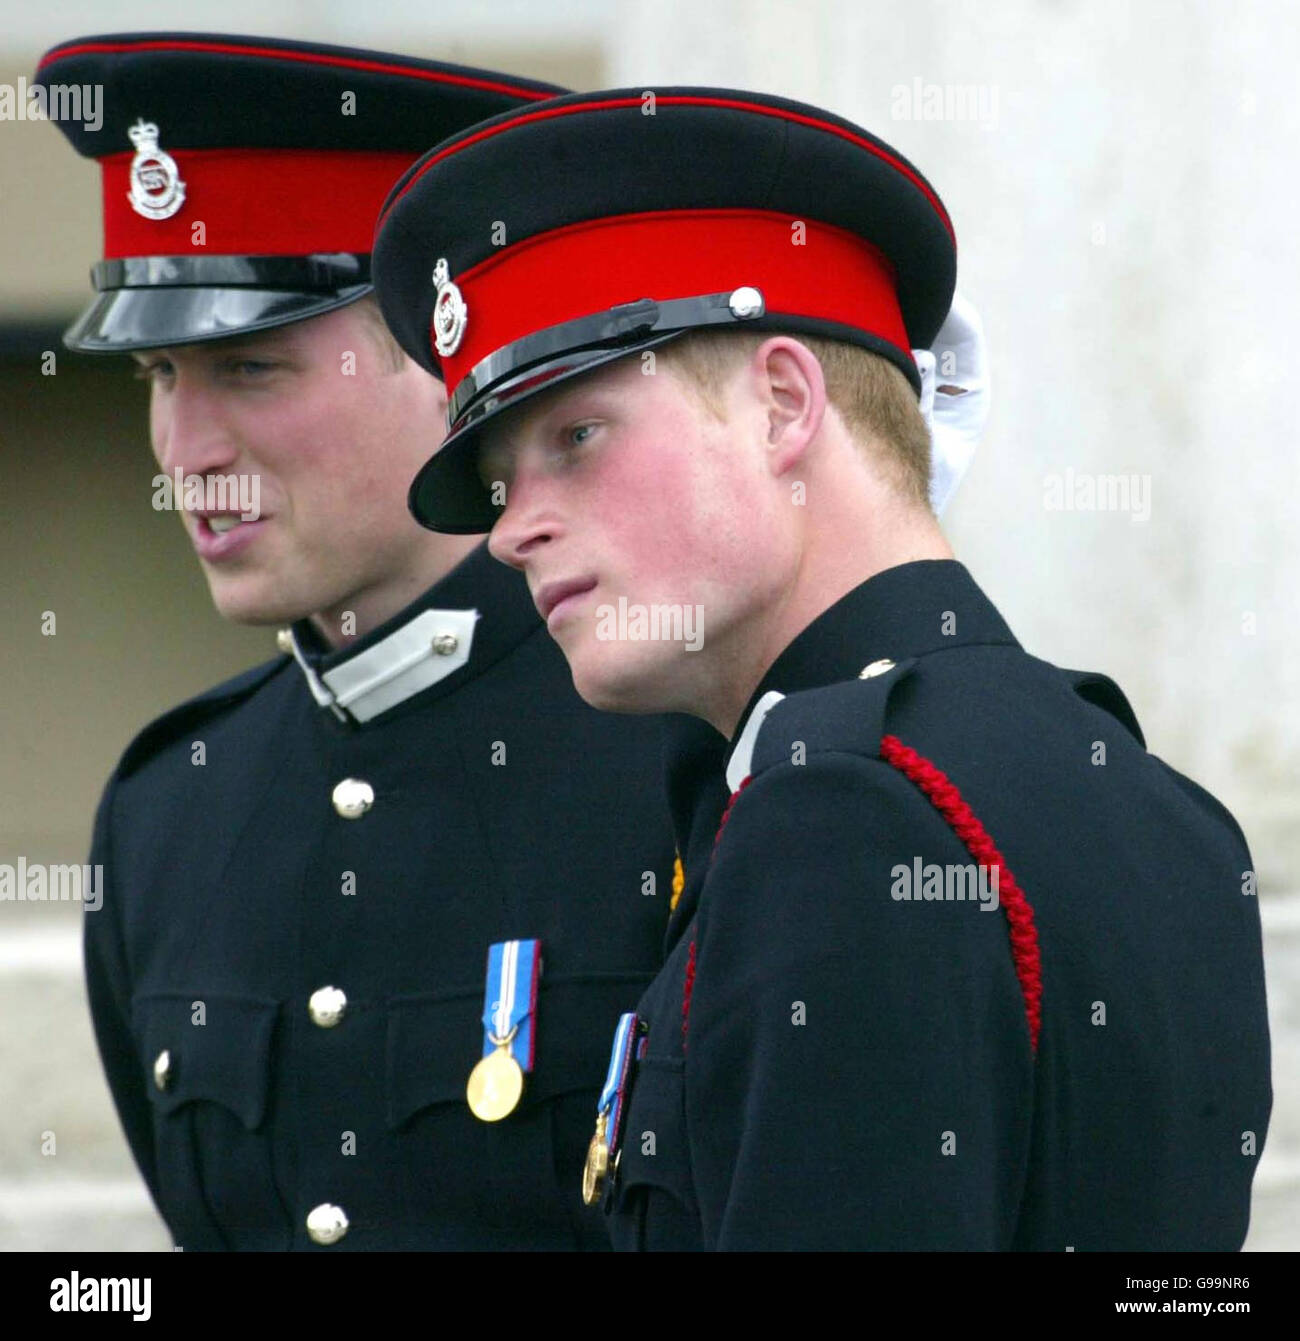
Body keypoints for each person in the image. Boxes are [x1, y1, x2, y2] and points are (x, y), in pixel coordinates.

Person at [370, 86, 1273, 1250]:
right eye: (500, 479)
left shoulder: (847, 815)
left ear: (784, 406)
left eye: (575, 438)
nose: (508, 531)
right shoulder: (1151, 798)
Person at [37, 32, 688, 1252]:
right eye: (160, 375)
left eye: (250, 368)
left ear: (449, 364)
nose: (189, 447)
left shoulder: (677, 751)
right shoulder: (170, 807)